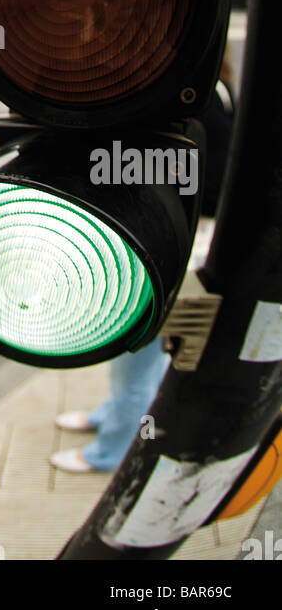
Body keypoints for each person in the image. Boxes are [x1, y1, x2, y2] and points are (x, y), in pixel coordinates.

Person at [51, 58, 236, 473]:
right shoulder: (216, 92)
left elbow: (176, 174)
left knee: (138, 354)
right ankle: (111, 415)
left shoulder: (193, 109)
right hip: (192, 234)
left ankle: (112, 451)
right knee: (139, 355)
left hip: (182, 242)